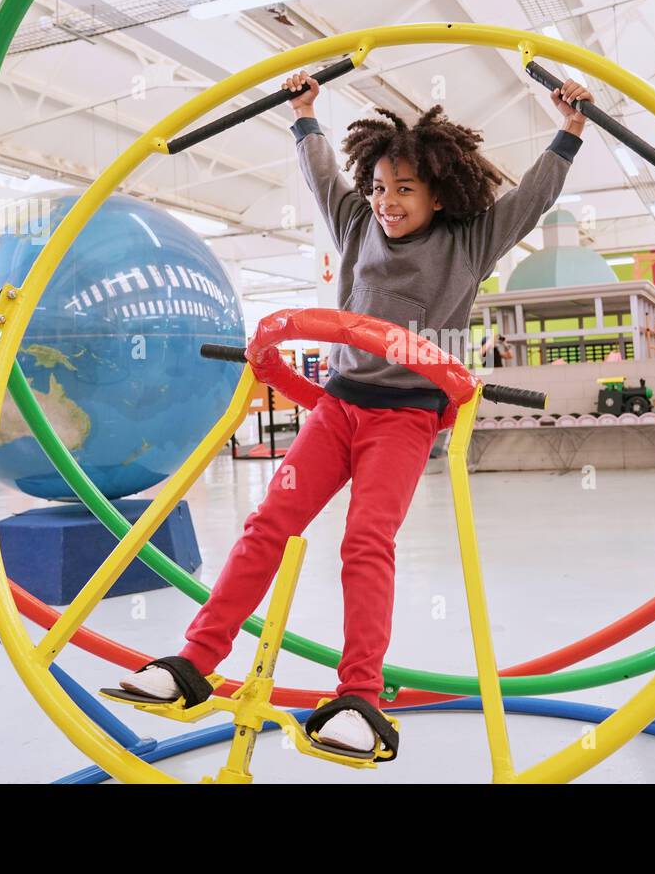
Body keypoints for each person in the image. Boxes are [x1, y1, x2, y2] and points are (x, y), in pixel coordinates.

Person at [115, 68, 593, 757]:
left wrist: (569, 131)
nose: (387, 202)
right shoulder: (356, 223)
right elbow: (319, 176)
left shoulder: (468, 243)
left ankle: (359, 697)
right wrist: (305, 114)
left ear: (438, 192)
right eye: (378, 187)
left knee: (365, 542)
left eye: (404, 190)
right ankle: (193, 661)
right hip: (338, 408)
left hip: (403, 418)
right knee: (266, 523)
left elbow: (531, 200)